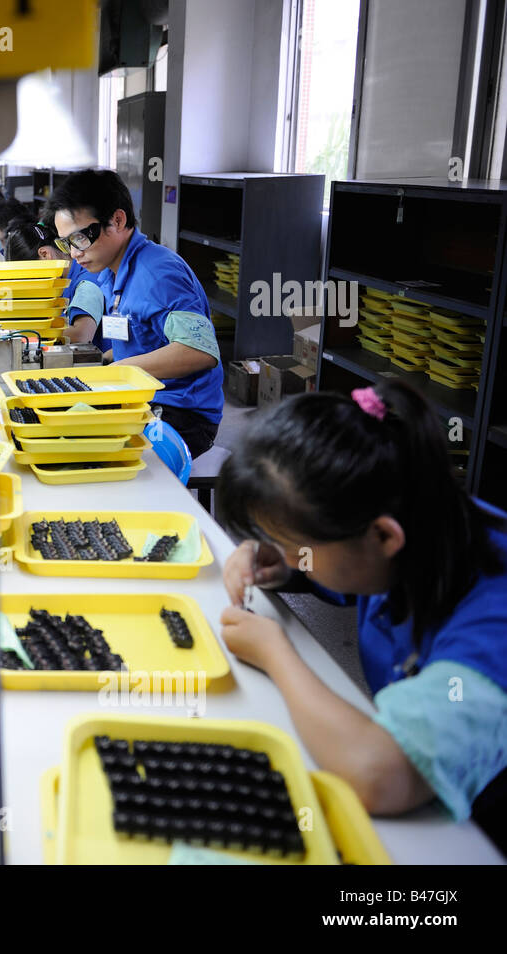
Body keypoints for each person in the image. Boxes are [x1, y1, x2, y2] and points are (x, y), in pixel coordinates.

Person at [215, 381, 507, 853]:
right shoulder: (413, 523)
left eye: (297, 545)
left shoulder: (493, 624)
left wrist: (276, 654)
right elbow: (338, 568)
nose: (290, 555)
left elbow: (379, 772)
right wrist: (283, 566)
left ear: (383, 538)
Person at [46, 169, 223, 457]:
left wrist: (119, 371)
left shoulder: (157, 274)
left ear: (117, 220)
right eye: (66, 244)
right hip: (140, 397)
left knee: (86, 457)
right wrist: (99, 362)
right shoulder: (111, 272)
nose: (74, 253)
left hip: (180, 414)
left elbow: (199, 352)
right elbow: (143, 336)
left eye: (79, 238)